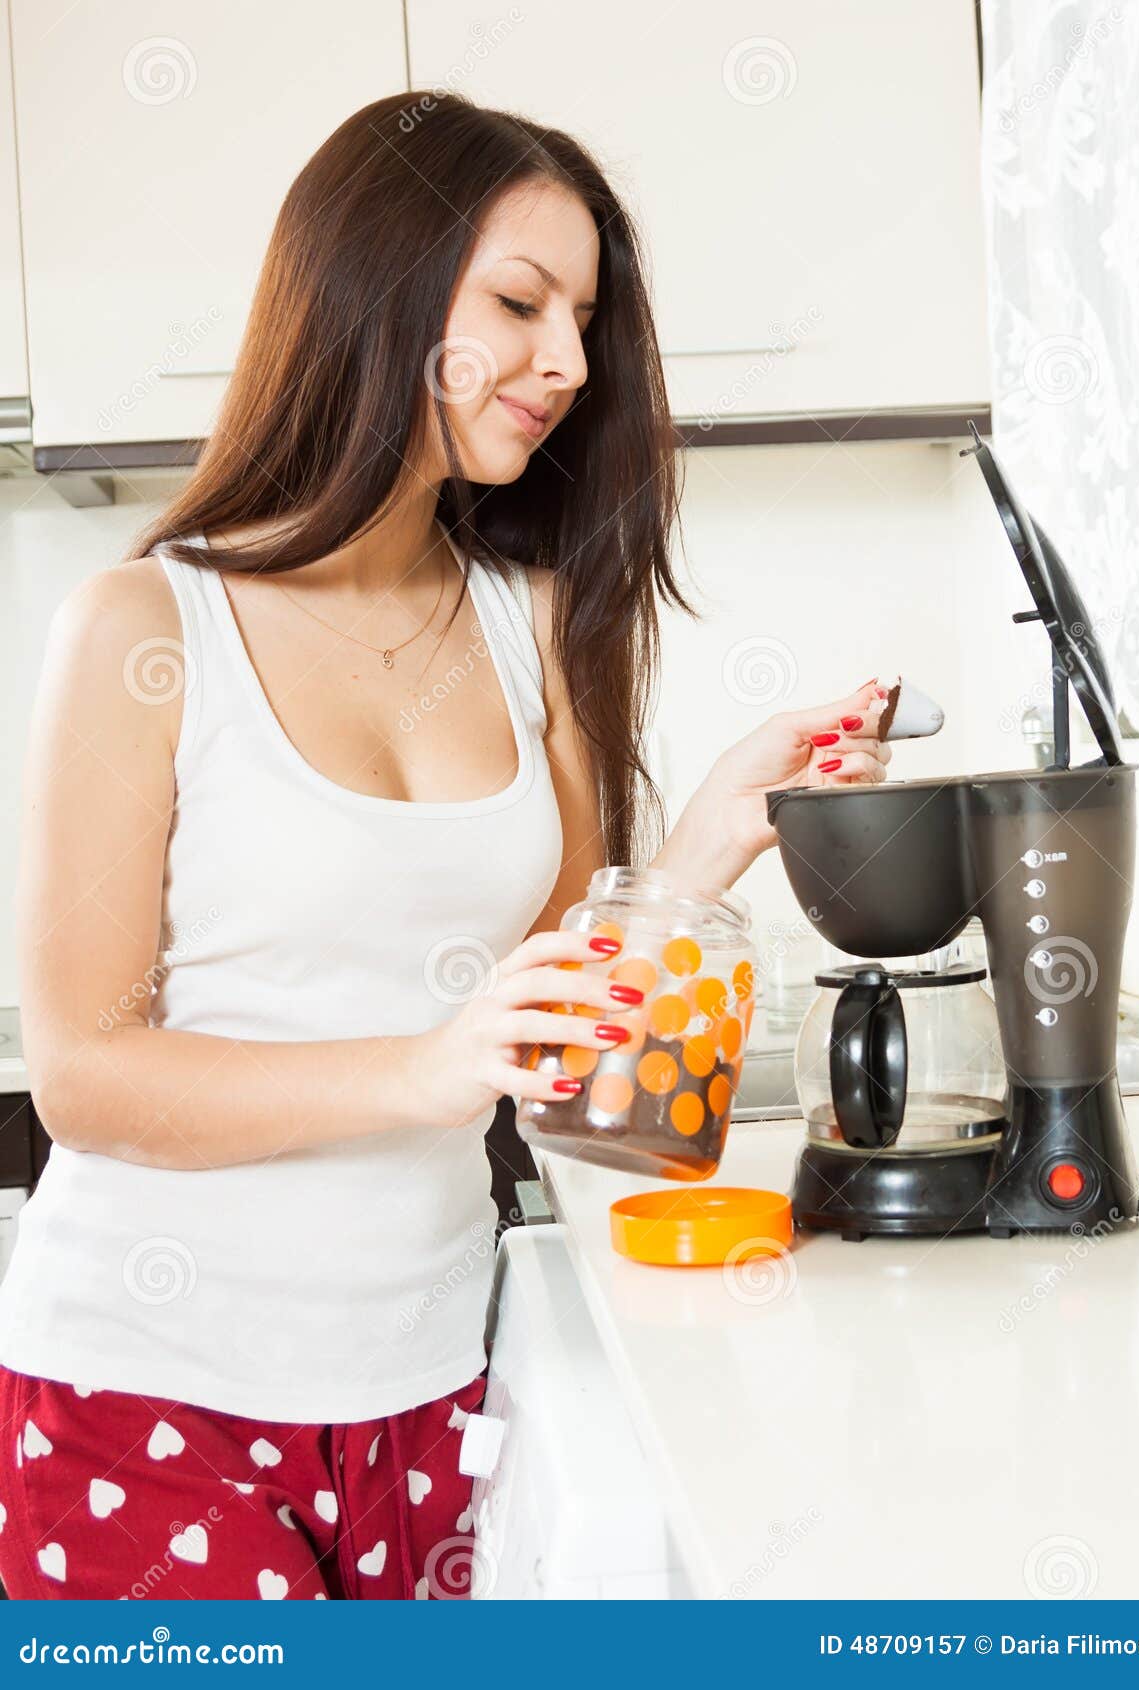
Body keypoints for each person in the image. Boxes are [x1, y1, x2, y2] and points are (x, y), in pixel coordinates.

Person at [0, 91, 889, 1601]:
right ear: (377, 288)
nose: (569, 363)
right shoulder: (150, 628)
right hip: (142, 1402)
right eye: (522, 303)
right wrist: (422, 1064)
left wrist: (697, 845)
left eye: (586, 318)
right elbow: (85, 1069)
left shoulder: (523, 619)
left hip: (429, 1387)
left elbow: (546, 1009)